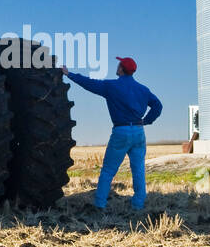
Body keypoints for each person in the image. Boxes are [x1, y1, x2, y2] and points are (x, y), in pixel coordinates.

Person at [60, 56, 162, 212]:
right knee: (139, 169)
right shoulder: (143, 89)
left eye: (119, 64)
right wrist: (146, 121)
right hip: (139, 132)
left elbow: (90, 83)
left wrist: (69, 74)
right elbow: (158, 105)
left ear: (121, 68)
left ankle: (100, 205)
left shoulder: (111, 86)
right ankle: (138, 205)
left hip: (121, 131)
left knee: (108, 170)